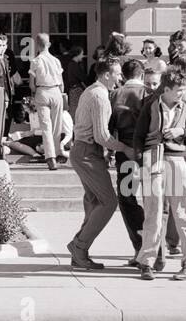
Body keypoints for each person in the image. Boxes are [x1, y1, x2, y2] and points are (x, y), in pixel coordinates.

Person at [133, 71, 186, 282]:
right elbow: (138, 136)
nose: (183, 93)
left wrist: (181, 131)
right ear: (166, 90)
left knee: (184, 211)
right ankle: (146, 261)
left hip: (176, 160)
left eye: (183, 90)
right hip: (153, 159)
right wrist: (139, 162)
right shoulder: (150, 106)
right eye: (179, 90)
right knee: (153, 212)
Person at [67, 58, 131, 270]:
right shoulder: (100, 96)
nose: (120, 78)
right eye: (117, 74)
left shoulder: (93, 91)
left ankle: (79, 250)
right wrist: (125, 148)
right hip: (87, 152)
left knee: (95, 202)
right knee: (109, 202)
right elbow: (102, 136)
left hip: (84, 151)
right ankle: (79, 246)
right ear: (106, 75)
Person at [109, 57, 149, 265]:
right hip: (148, 151)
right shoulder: (148, 94)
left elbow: (110, 125)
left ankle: (139, 244)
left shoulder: (115, 94)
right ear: (141, 74)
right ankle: (151, 246)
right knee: (152, 199)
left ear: (123, 76)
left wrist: (111, 151)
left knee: (127, 198)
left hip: (125, 151)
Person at [29, 33, 67, 171]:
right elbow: (62, 83)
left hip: (42, 91)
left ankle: (50, 158)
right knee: (57, 126)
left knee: (46, 127)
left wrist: (34, 94)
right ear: (49, 44)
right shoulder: (56, 61)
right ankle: (56, 154)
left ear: (37, 45)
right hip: (56, 91)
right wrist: (62, 93)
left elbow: (32, 84)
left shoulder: (35, 61)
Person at [63, 44, 88, 117]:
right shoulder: (74, 65)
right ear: (77, 54)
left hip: (73, 90)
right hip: (76, 90)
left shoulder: (72, 64)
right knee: (77, 111)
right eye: (82, 54)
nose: (82, 56)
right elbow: (83, 78)